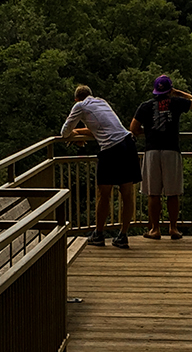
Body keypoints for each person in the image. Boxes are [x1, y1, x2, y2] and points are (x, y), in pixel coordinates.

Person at [59, 84, 139, 248]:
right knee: (127, 193)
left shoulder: (80, 106)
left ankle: (99, 234)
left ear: (76, 99)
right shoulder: (101, 102)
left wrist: (74, 133)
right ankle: (123, 235)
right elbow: (98, 128)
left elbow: (64, 132)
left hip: (111, 149)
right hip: (128, 143)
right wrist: (82, 132)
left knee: (104, 194)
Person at [130, 73, 192, 240]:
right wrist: (178, 92)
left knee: (153, 193)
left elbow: (133, 127)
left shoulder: (145, 106)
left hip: (152, 150)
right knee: (172, 192)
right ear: (169, 90)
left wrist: (146, 132)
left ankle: (155, 229)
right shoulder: (176, 102)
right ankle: (173, 228)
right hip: (171, 150)